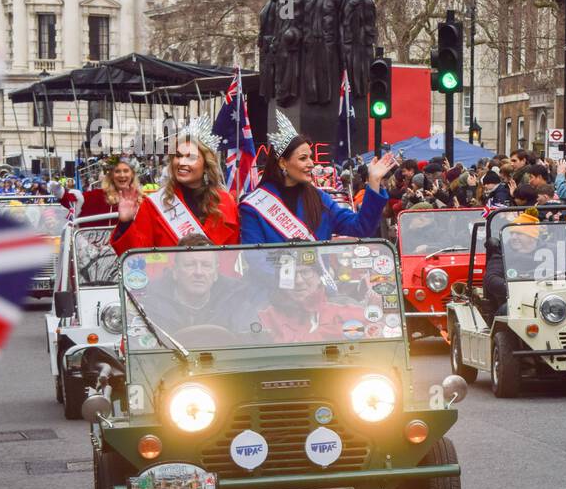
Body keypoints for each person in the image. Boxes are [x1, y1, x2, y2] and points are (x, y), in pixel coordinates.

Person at [239, 121, 395, 244]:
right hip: (273, 284)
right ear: (283, 163)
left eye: (310, 157)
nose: (311, 164)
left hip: (316, 283)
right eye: (303, 158)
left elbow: (360, 228)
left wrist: (374, 181)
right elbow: (254, 258)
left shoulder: (319, 199)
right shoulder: (254, 205)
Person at [111, 120, 240, 253]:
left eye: (191, 157)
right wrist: (125, 223)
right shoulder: (154, 204)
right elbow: (137, 261)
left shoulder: (226, 203)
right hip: (167, 274)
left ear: (206, 165)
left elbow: (233, 255)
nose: (181, 162)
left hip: (216, 274)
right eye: (178, 156)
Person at [136, 237, 254, 336]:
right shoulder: (149, 305)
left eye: (206, 265)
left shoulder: (237, 302)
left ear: (216, 273)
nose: (199, 272)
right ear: (175, 271)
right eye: (190, 265)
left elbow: (253, 345)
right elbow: (139, 351)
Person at [258, 258, 367, 343]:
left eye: (305, 272)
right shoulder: (265, 319)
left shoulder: (345, 311)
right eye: (289, 273)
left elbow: (375, 330)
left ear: (319, 277)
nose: (298, 281)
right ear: (281, 281)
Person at [482, 209, 541, 318]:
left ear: (532, 237)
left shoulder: (549, 251)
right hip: (513, 302)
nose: (513, 237)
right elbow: (491, 278)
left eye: (519, 234)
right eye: (512, 233)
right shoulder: (502, 252)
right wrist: (513, 287)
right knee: (507, 309)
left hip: (548, 299)